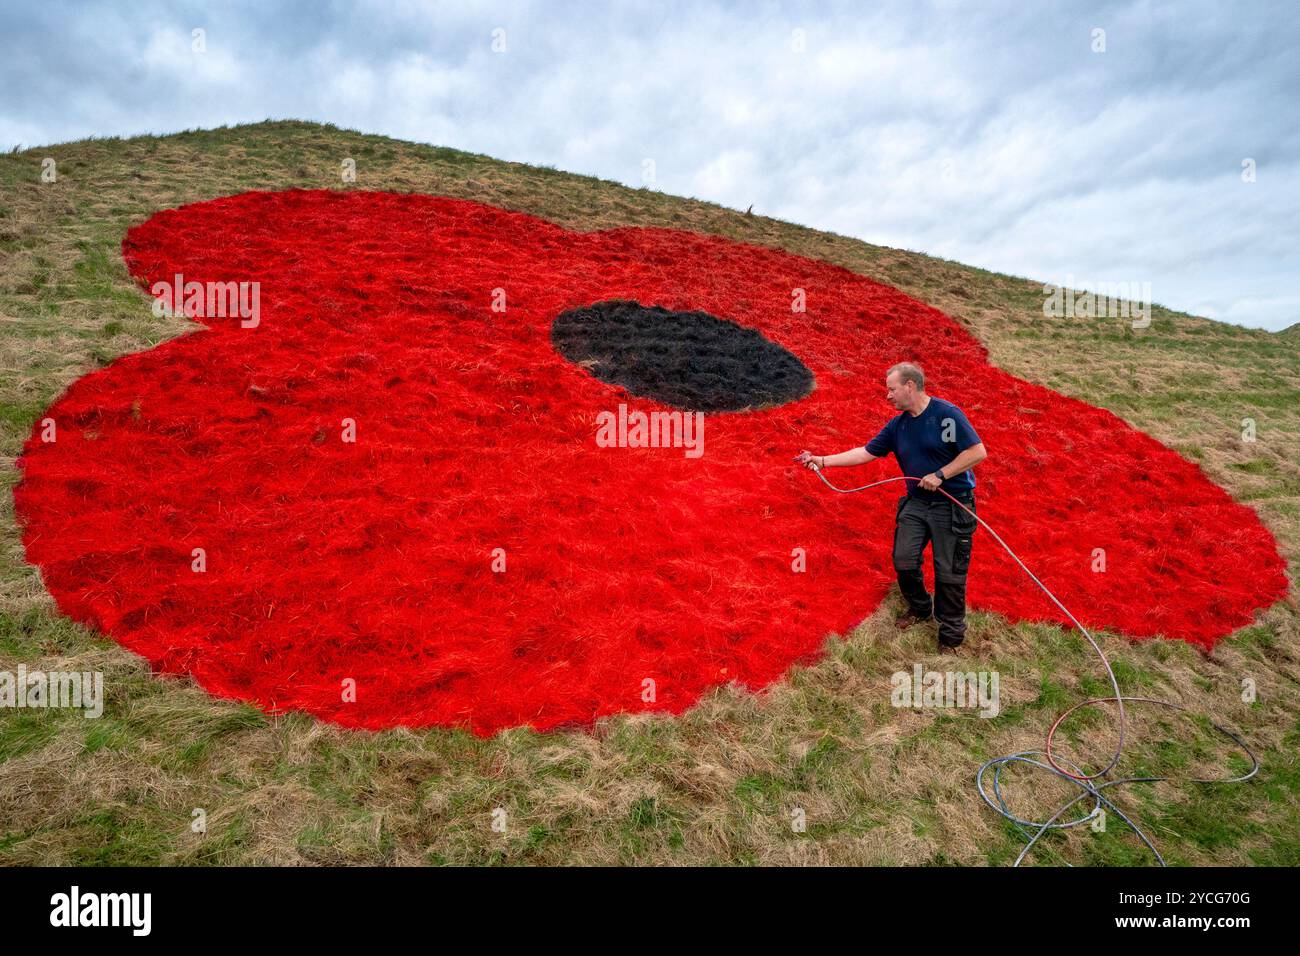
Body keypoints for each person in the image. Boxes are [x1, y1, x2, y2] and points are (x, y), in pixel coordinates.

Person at [796, 362, 987, 651]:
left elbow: (976, 452)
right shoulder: (898, 426)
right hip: (917, 503)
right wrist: (822, 460)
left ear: (910, 386)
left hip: (953, 505)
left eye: (891, 389)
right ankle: (921, 608)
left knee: (948, 572)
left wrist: (940, 475)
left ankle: (950, 636)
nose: (888, 396)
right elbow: (865, 452)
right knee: (904, 560)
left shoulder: (947, 417)